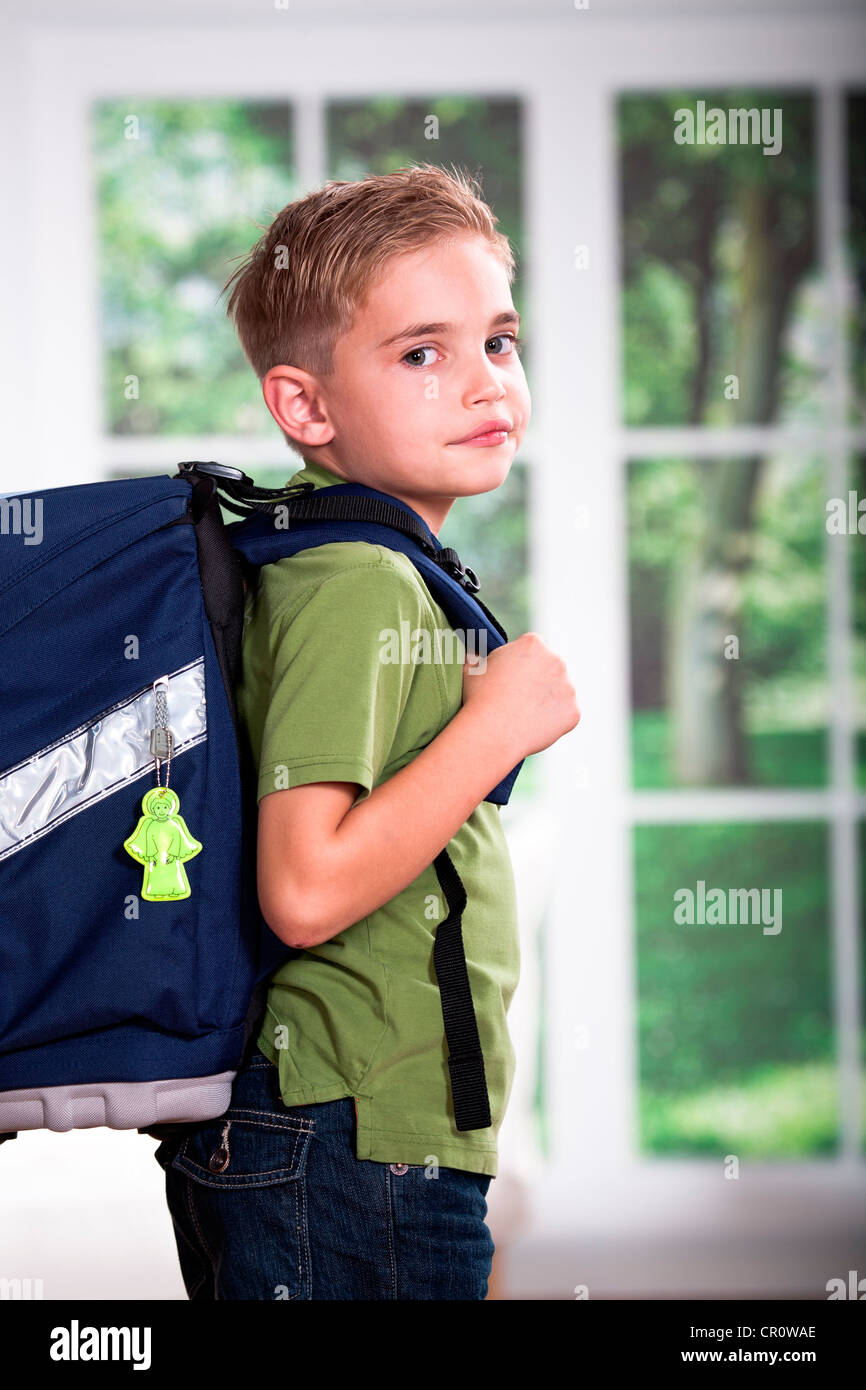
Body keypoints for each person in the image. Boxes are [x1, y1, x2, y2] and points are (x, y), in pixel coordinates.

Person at [153, 162, 579, 1300]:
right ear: (305, 407)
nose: (484, 382)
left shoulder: (375, 567)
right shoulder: (355, 582)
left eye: (497, 339)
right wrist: (496, 726)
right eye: (420, 353)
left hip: (344, 1132)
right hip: (346, 1138)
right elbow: (304, 884)